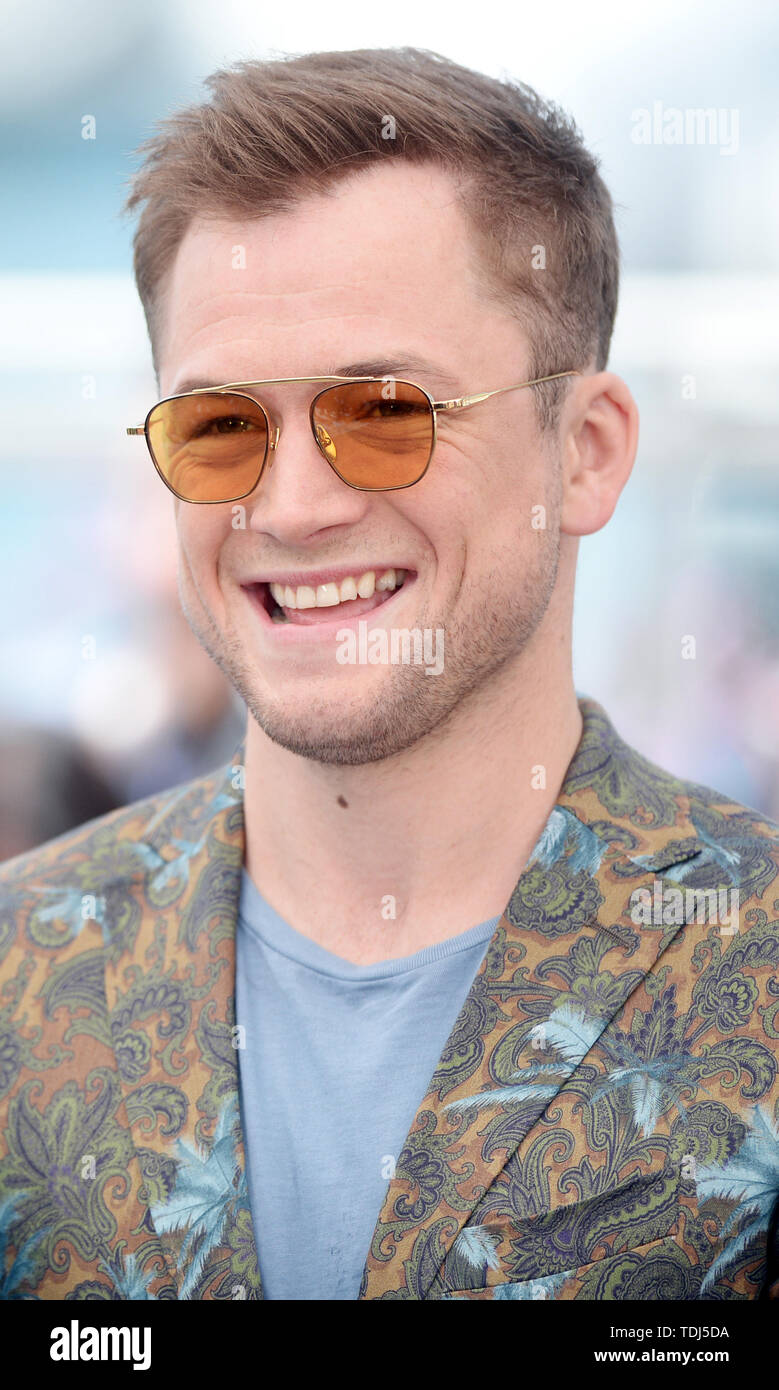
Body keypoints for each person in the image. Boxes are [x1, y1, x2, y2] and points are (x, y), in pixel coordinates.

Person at [0, 47, 777, 1303]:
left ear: (582, 452)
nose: (292, 507)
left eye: (383, 412)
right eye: (219, 427)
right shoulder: (20, 974)